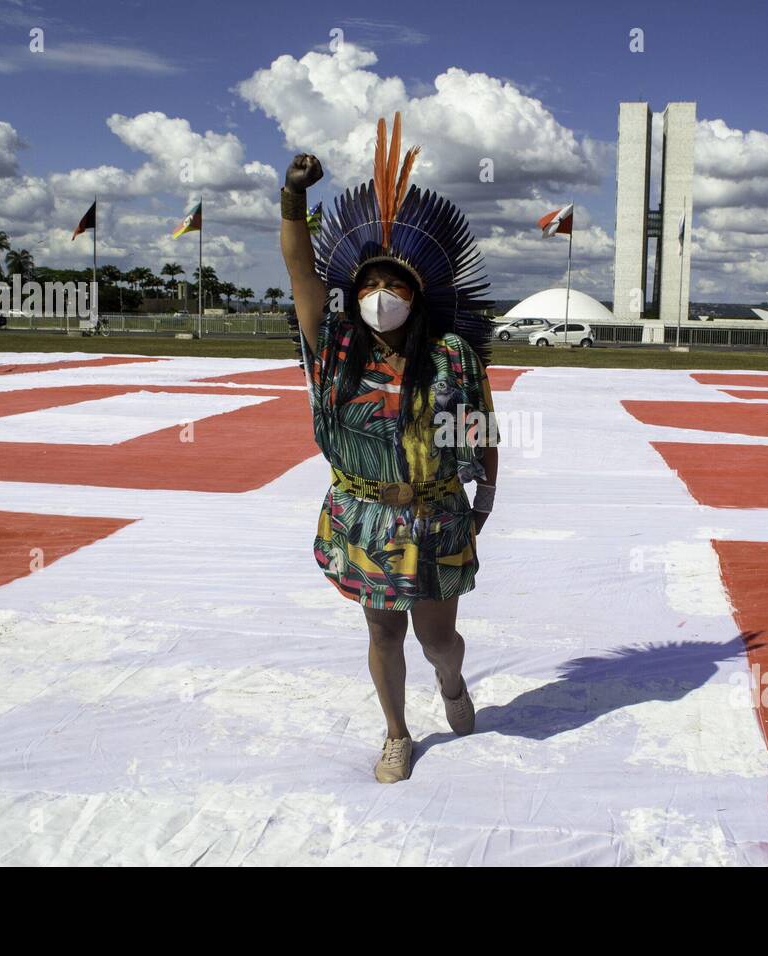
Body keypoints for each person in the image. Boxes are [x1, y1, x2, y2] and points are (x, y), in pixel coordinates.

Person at [279, 113, 500, 783]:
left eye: (395, 286)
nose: (381, 296)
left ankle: (453, 683)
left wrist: (482, 505)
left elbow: (481, 437)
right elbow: (298, 270)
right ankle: (397, 733)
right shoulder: (335, 350)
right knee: (382, 633)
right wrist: (294, 198)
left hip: (436, 517)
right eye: (371, 284)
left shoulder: (450, 357)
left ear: (418, 296)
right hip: (367, 517)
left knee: (439, 641)